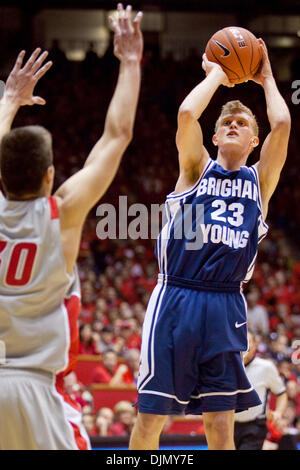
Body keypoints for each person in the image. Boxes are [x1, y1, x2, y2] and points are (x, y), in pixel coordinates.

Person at [129, 39, 291, 450]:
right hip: (176, 296)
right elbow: (187, 113)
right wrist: (218, 74)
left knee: (220, 426)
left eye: (243, 123)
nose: (234, 124)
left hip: (226, 303)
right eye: (227, 123)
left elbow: (284, 125)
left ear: (255, 142)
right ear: (215, 137)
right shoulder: (195, 167)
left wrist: (267, 76)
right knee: (152, 418)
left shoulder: (260, 182)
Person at [0, 3, 143, 450]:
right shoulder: (60, 212)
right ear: (49, 177)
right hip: (41, 390)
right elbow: (117, 135)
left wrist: (8, 100)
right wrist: (131, 61)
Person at [234, 331, 287, 450]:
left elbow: (281, 393)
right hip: (229, 425)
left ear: (255, 345)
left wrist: (278, 413)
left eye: (248, 342)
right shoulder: (228, 367)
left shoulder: (266, 367)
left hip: (254, 427)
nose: (244, 346)